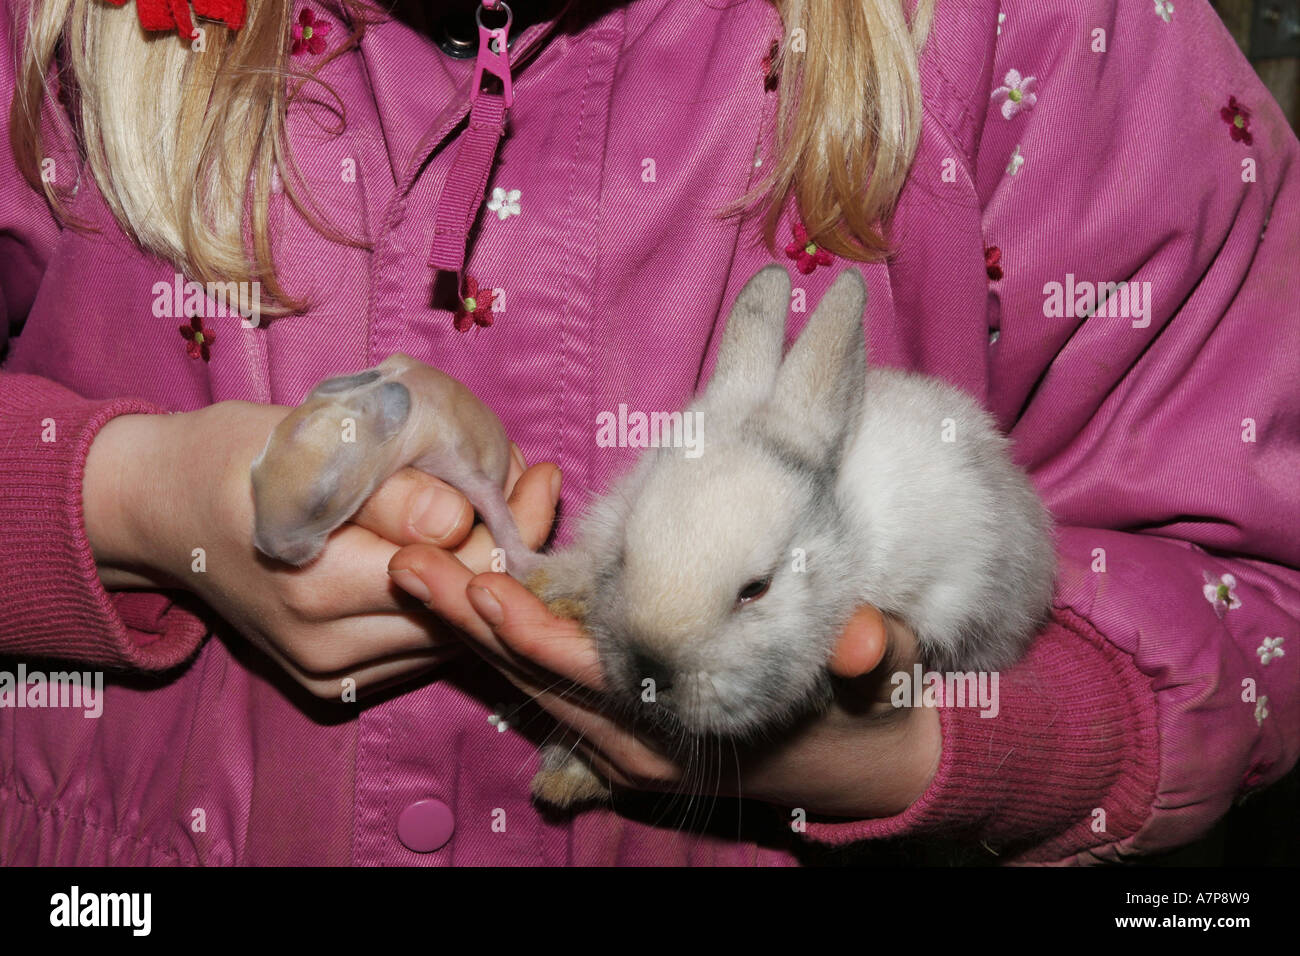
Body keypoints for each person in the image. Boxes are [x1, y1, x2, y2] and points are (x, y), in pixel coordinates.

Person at [0, 0, 1295, 866]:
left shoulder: (1060, 37)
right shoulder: (56, 39)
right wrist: (126, 506)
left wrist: (910, 744)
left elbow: (1260, 587)